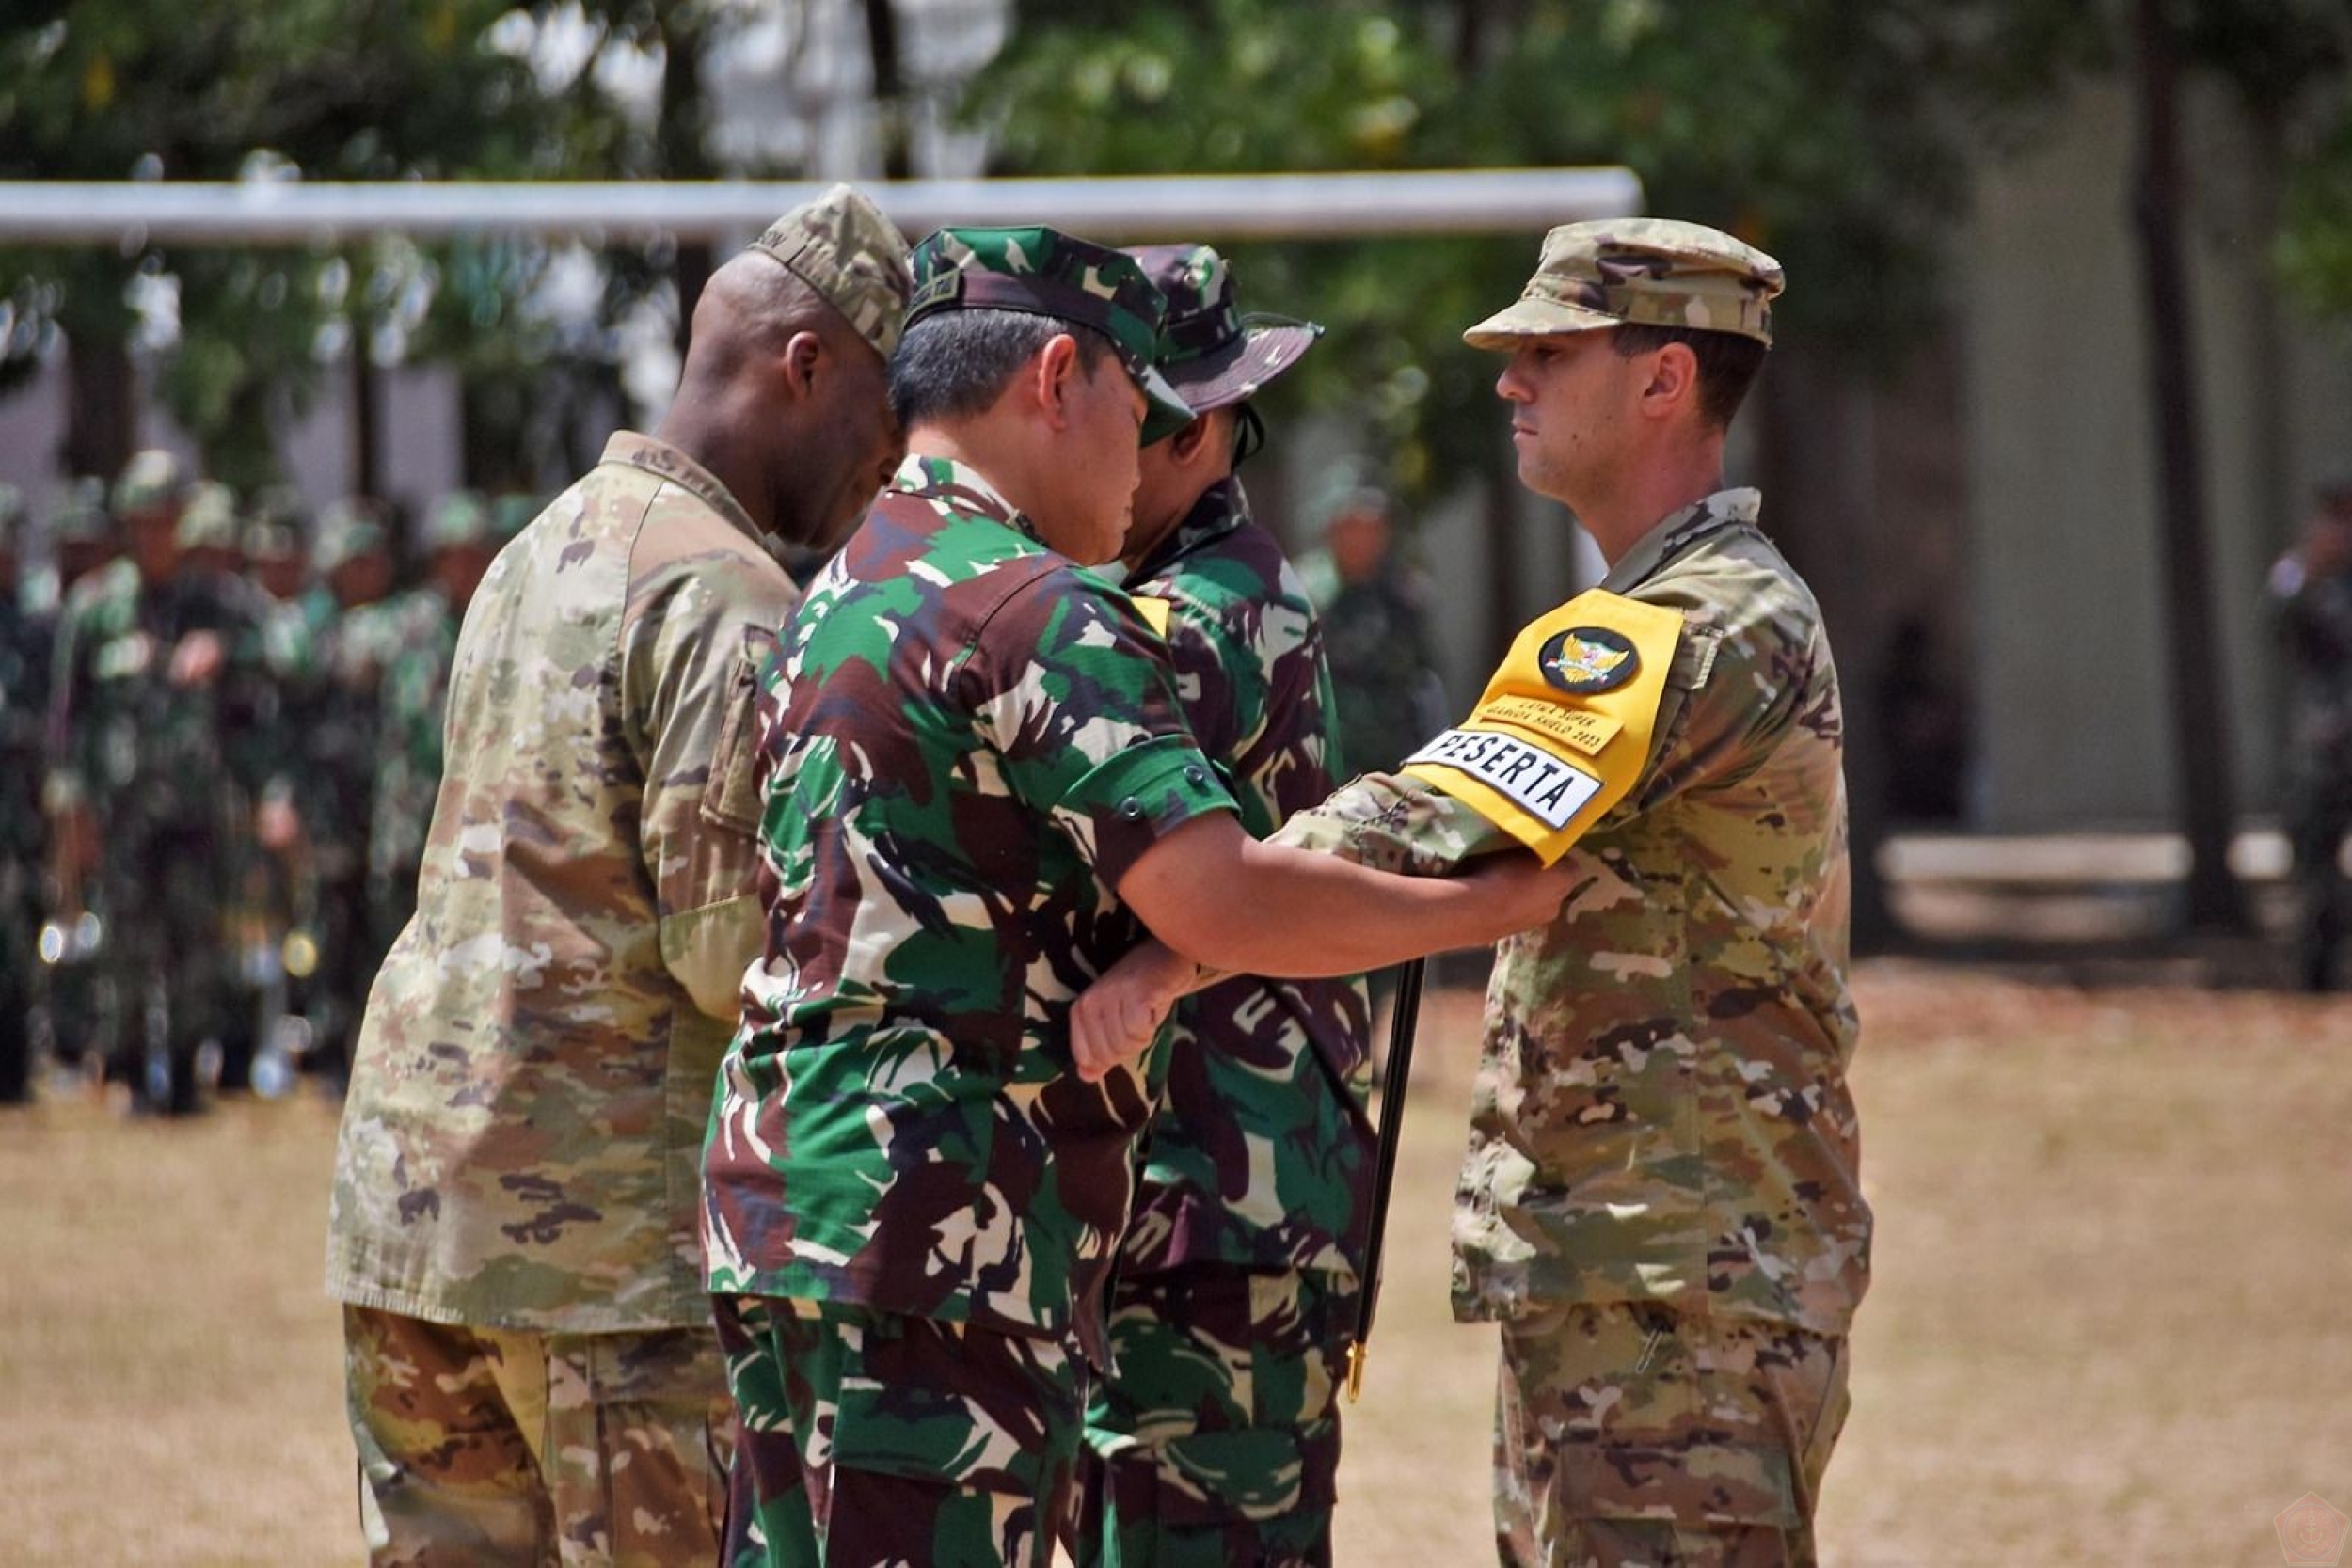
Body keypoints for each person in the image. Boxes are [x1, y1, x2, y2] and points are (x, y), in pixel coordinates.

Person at [699, 224, 1565, 1568]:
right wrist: (1487, 908)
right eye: (1133, 394)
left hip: (785, 1208)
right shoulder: (1038, 603)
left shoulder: (837, 592)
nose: (1144, 444)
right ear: (1060, 378)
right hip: (936, 1233)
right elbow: (1217, 899)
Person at [1079, 219, 1867, 1568]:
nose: (1509, 382)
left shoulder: (1694, 623)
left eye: (1547, 354)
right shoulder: (1671, 605)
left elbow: (1421, 823)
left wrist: (1182, 944)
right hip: (1639, 1263)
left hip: (1680, 1279)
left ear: (1664, 379)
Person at [324, 182, 914, 1567]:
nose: (888, 466)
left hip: (414, 1215)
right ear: (804, 366)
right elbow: (729, 956)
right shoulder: (729, 598)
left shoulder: (537, 551)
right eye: (884, 419)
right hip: (603, 1264)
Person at [1072, 244, 1372, 1568]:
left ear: (1186, 433)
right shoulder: (1173, 591)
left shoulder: (1203, 617)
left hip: (1214, 1210)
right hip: (1187, 1200)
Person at [1295, 479, 1447, 777]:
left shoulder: (1405, 594)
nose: (1361, 539)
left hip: (1393, 756)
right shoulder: (1302, 592)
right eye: (1351, 528)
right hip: (1324, 757)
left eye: (1372, 529)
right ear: (1331, 530)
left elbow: (1426, 679)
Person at [2268, 478, 2352, 991]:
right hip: (2328, 747)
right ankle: (2316, 974)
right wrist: (2308, 569)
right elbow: (2279, 628)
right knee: (2312, 861)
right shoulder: (2305, 581)